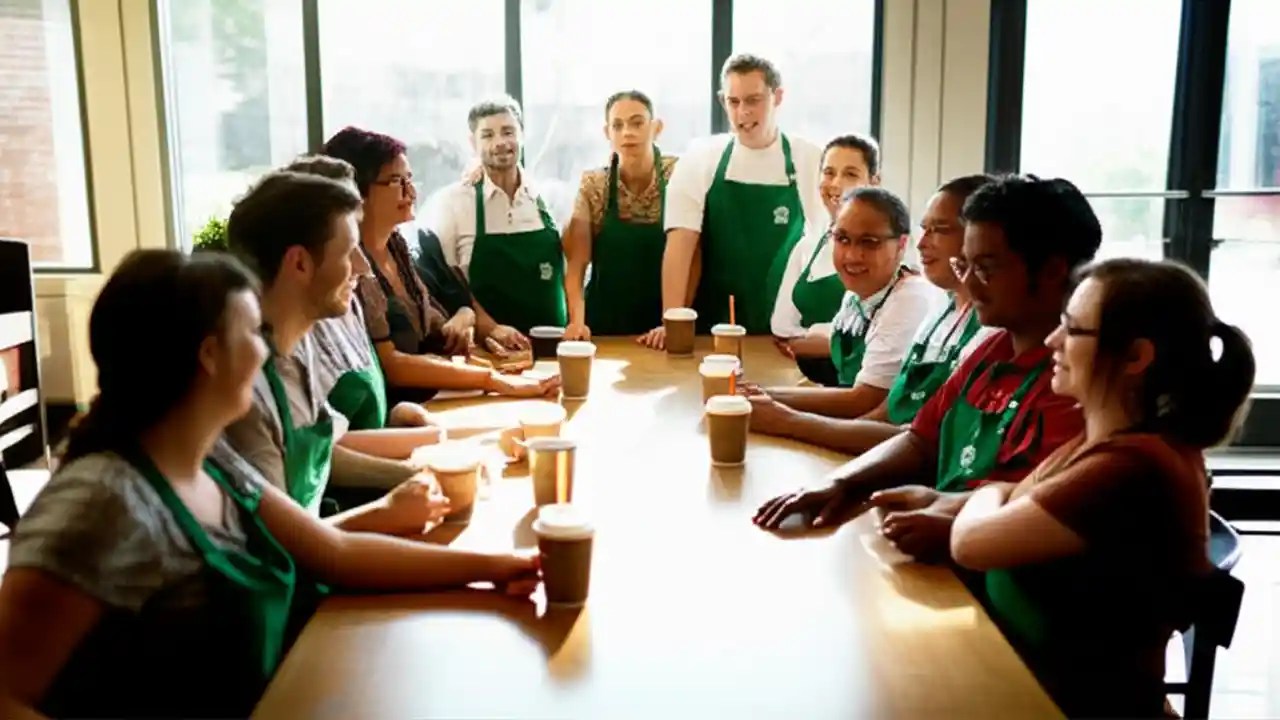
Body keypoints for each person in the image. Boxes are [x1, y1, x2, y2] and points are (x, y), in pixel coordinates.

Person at [0, 250, 538, 718]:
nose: (265, 352)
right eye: (251, 334)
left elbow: (337, 551)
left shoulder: (212, 462)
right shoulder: (101, 503)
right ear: (209, 355)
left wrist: (496, 569)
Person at [947, 259, 1255, 717]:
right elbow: (1010, 503)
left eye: (1072, 329)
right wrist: (994, 496)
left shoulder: (1131, 468)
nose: (1052, 340)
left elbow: (971, 543)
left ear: (1135, 357)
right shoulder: (1103, 443)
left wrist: (983, 493)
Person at [754, 175, 1102, 562]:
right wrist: (841, 482)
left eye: (985, 268)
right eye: (964, 265)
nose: (968, 282)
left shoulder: (1079, 383)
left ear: (1052, 270)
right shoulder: (991, 351)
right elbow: (920, 439)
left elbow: (1034, 507)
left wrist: (950, 515)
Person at [219, 170, 449, 527]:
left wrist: (415, 473)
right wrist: (384, 512)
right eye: (348, 251)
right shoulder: (246, 390)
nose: (362, 267)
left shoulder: (298, 351)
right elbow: (279, 547)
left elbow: (325, 455)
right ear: (299, 263)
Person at [747, 175, 998, 453]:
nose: (922, 243)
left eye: (939, 229)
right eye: (842, 238)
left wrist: (787, 419)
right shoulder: (941, 312)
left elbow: (909, 431)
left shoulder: (977, 325)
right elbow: (888, 412)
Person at [320, 128, 558, 405]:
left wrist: (469, 325)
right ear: (357, 192)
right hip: (395, 413)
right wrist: (491, 379)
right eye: (397, 181)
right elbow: (393, 366)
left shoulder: (398, 247)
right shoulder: (348, 266)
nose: (411, 191)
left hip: (432, 400)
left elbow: (437, 320)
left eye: (410, 178)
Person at [656, 53, 827, 342]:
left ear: (778, 97)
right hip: (713, 330)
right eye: (733, 102)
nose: (742, 113)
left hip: (785, 331)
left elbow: (825, 244)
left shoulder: (810, 159)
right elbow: (680, 247)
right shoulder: (700, 159)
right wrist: (672, 321)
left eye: (753, 100)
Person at [743, 187, 938, 432]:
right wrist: (757, 392)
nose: (852, 256)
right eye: (842, 239)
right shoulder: (857, 295)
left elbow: (866, 399)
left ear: (901, 245)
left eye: (869, 242)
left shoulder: (909, 298)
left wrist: (767, 399)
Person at [429, 96, 567, 332]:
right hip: (489, 349)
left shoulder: (549, 198)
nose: (500, 142)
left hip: (553, 344)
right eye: (488, 135)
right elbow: (448, 284)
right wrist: (491, 329)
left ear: (521, 135)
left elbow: (571, 272)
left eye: (508, 132)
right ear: (472, 143)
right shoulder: (453, 202)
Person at [562, 90, 678, 342]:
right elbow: (577, 262)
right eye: (618, 125)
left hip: (663, 328)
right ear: (607, 133)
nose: (627, 132)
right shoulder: (593, 185)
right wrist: (577, 322)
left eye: (637, 123)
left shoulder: (678, 176)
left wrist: (674, 321)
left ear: (656, 127)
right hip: (605, 325)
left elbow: (693, 254)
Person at [771, 134, 882, 383]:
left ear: (874, 183)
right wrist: (822, 340)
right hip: (813, 382)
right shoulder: (809, 245)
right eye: (829, 172)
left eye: (851, 174)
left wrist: (810, 340)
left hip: (865, 388)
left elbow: (874, 337)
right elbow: (781, 327)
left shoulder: (888, 251)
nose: (836, 183)